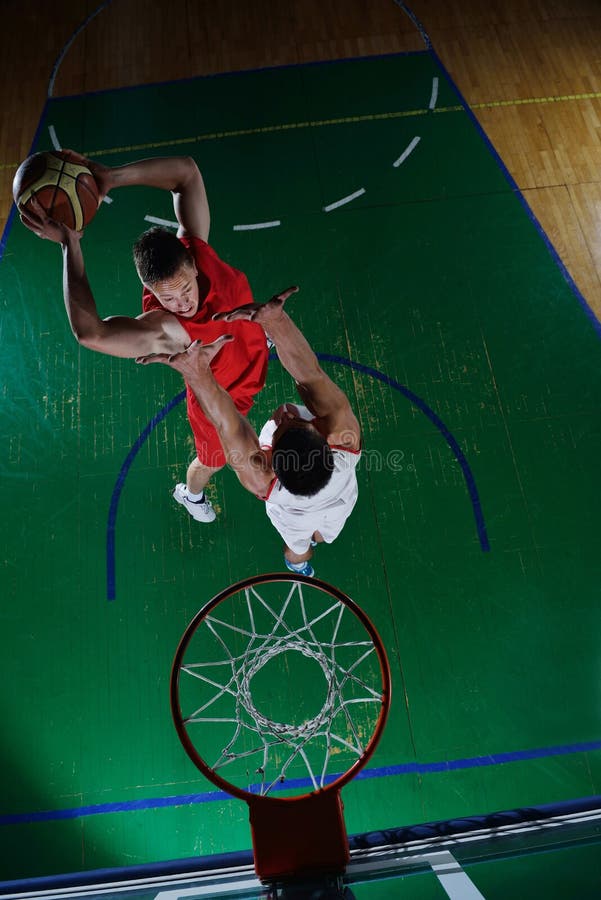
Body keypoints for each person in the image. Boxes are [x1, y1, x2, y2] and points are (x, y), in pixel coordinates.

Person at [18, 152, 269, 523]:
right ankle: (191, 494)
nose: (181, 303)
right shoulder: (166, 329)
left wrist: (111, 178)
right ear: (151, 291)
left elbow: (187, 173)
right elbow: (90, 333)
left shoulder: (198, 246)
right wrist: (70, 246)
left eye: (185, 290)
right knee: (211, 463)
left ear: (191, 261)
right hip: (221, 401)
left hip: (250, 351)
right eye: (168, 297)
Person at [137, 287, 362, 576]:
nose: (285, 415)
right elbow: (310, 373)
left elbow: (226, 421)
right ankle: (315, 542)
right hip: (341, 501)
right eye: (294, 420)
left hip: (294, 518)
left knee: (297, 545)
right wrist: (275, 321)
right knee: (325, 532)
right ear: (320, 437)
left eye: (281, 426)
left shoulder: (262, 479)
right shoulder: (344, 437)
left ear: (271, 461)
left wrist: (197, 372)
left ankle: (299, 562)